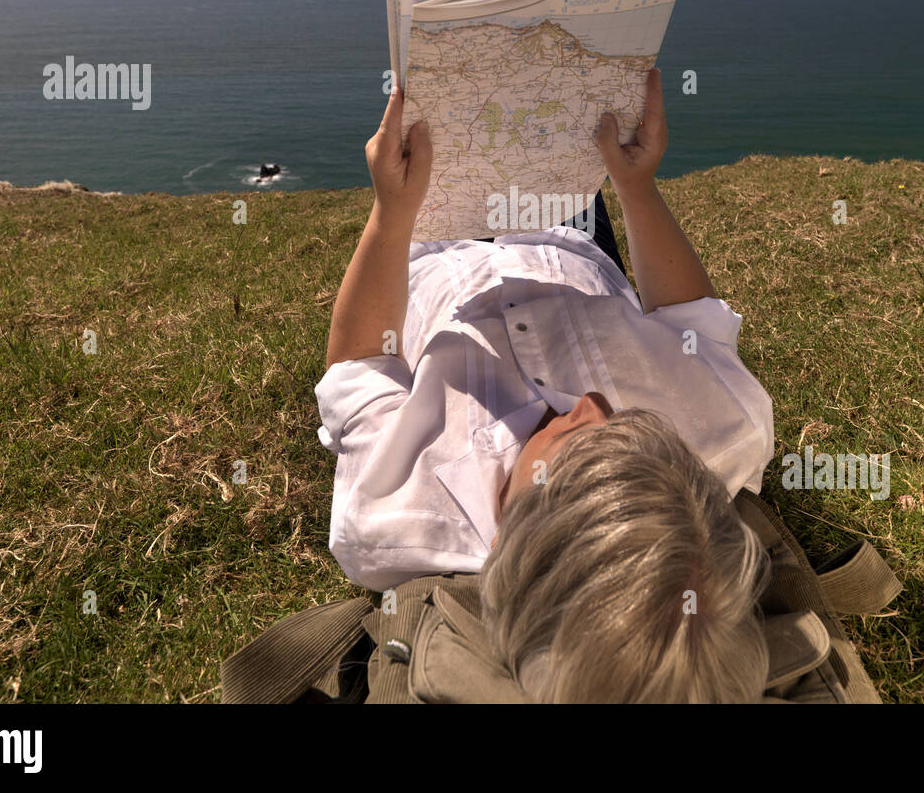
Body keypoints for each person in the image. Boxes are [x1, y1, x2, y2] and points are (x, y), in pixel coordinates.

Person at [316, 68, 776, 702]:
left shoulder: (391, 518)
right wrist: (636, 186)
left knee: (439, 83)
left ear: (508, 547)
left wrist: (392, 217)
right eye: (627, 421)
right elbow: (690, 318)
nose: (589, 406)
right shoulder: (728, 436)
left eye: (569, 443)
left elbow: (357, 366)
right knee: (554, 68)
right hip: (571, 236)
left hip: (433, 248)